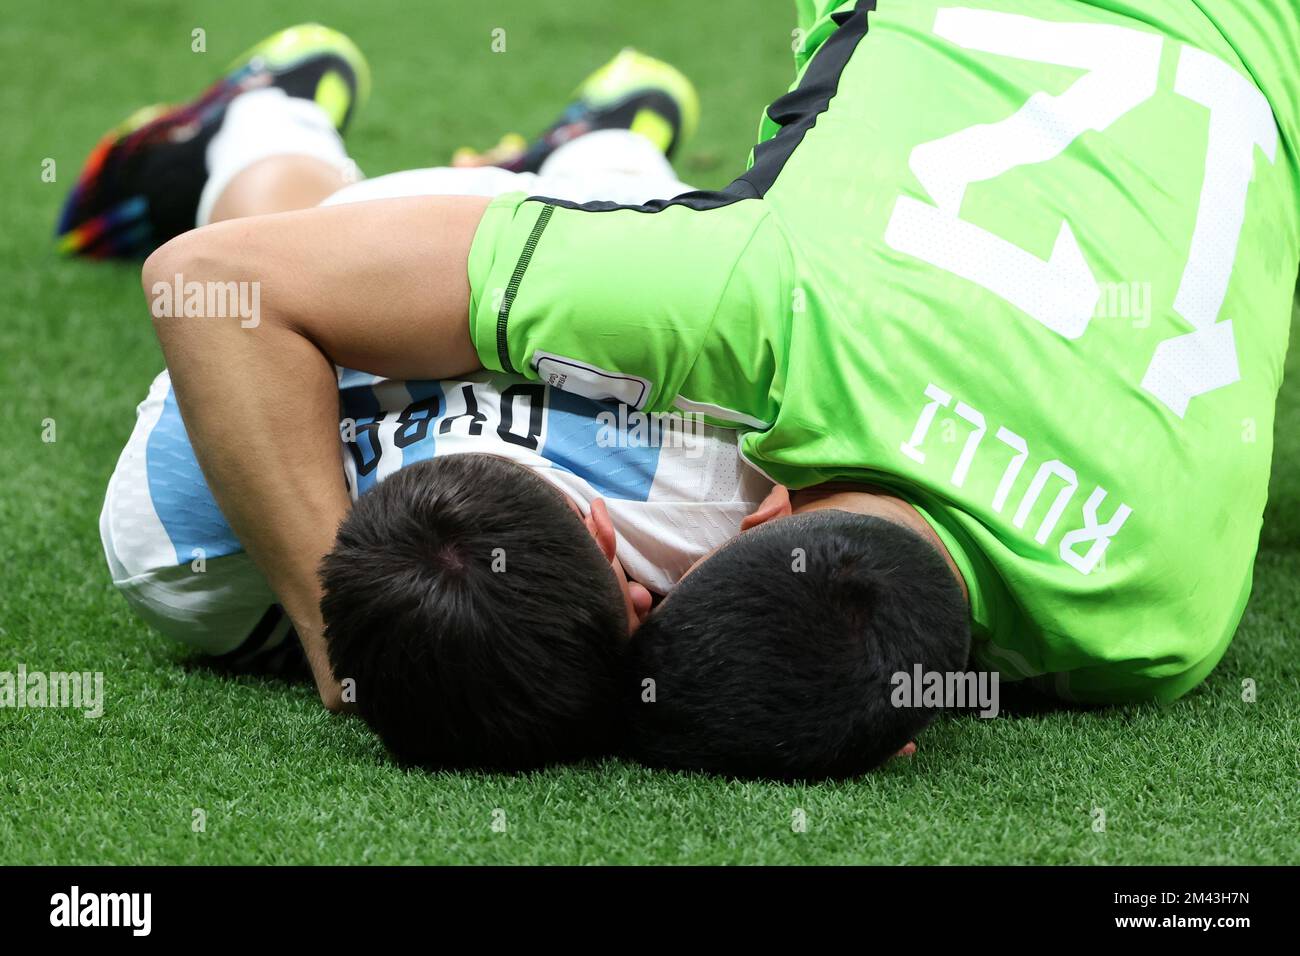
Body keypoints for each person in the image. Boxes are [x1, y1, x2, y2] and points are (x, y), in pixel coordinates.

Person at [138, 0, 1300, 779]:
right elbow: (214, 284)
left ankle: (564, 145)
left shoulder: (1167, 619)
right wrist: (342, 648)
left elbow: (219, 286)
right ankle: (560, 148)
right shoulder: (762, 306)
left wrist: (355, 647)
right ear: (756, 512)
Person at [78, 25, 774, 769]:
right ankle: (597, 136)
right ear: (602, 531)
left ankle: (282, 110)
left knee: (642, 219)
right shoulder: (712, 494)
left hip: (480, 240)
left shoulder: (177, 544)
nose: (646, 610)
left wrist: (336, 645)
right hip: (462, 258)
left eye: (628, 615)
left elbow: (212, 290)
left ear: (602, 534)